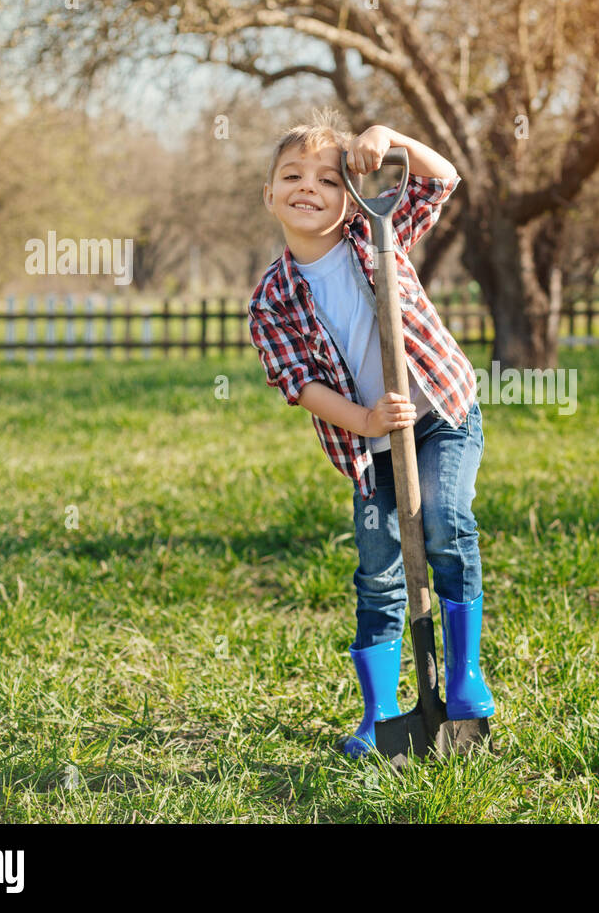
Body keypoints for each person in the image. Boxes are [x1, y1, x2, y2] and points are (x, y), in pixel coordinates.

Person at [247, 106, 495, 757]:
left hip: (442, 412)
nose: (310, 188)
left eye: (329, 180)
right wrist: (364, 420)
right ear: (268, 193)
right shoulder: (271, 297)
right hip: (367, 449)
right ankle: (381, 713)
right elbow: (297, 382)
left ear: (354, 192)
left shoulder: (374, 233)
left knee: (445, 520)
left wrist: (390, 136)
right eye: (292, 175)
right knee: (379, 575)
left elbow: (442, 180)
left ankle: (465, 678)